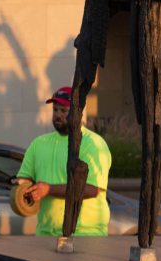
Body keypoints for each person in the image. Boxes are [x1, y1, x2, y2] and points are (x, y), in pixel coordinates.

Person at [16, 86, 112, 238]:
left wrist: (48, 189)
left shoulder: (94, 144)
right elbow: (24, 180)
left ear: (78, 112)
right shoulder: (38, 144)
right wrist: (24, 190)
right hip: (46, 234)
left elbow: (92, 190)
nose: (57, 115)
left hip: (86, 235)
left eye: (63, 111)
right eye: (55, 110)